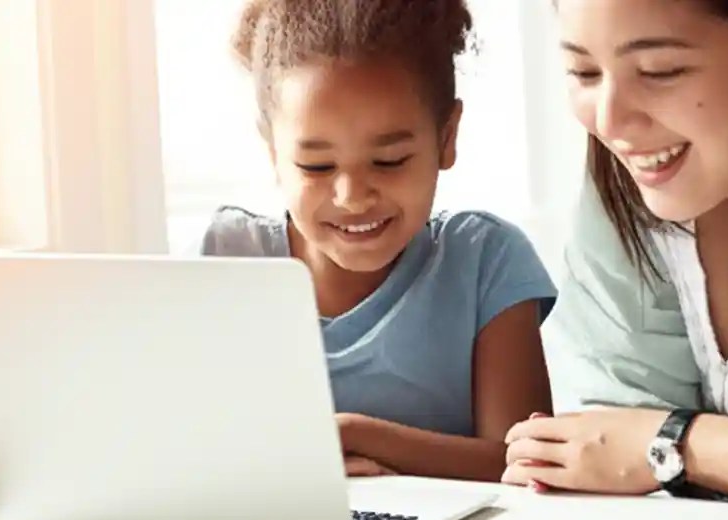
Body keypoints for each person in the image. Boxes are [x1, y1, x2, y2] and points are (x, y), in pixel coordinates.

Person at [505, 1, 728, 518]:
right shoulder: (633, 196)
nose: (612, 121)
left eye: (659, 71)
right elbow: (607, 439)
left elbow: (639, 445)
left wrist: (678, 443)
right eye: (584, 72)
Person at [203, 0, 558, 482]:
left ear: (446, 137)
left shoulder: (486, 262)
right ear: (273, 153)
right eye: (316, 167)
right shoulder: (228, 259)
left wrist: (354, 435)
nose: (352, 198)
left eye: (389, 160)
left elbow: (524, 463)